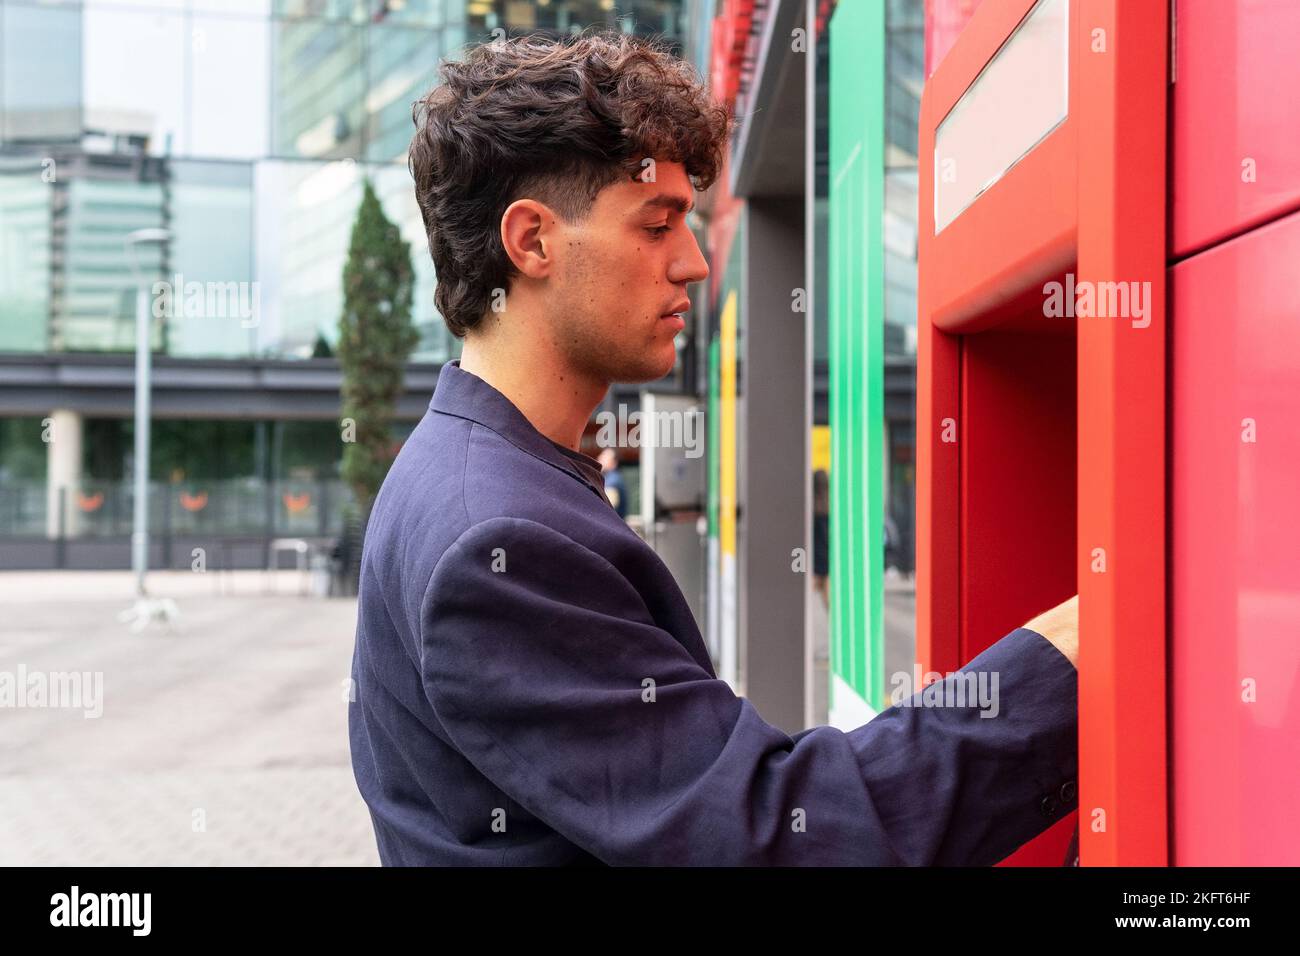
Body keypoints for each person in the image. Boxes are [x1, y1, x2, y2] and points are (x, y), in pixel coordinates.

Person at [348, 32, 1079, 866]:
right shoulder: (498, 539)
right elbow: (769, 834)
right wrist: (1064, 669)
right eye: (656, 225)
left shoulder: (465, 471)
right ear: (532, 242)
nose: (693, 264)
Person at [596, 446, 628, 519]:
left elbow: (606, 509)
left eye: (605, 457)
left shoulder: (613, 480)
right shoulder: (609, 478)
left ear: (614, 463)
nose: (600, 458)